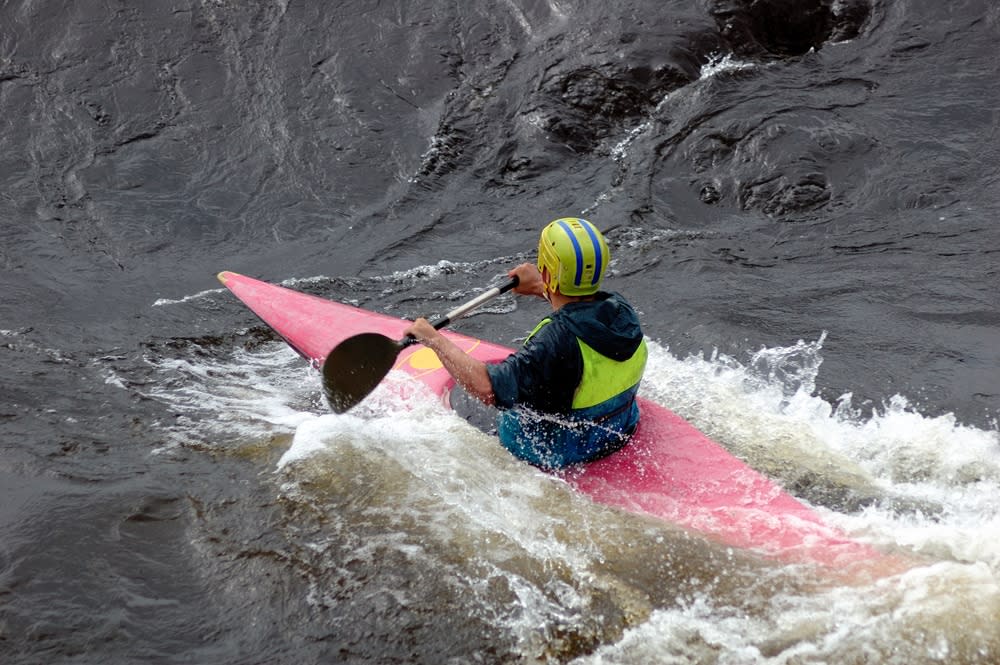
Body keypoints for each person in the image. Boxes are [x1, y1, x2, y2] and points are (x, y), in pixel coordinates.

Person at [404, 217, 647, 470]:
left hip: (558, 453)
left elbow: (489, 389)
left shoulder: (555, 340)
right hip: (615, 432)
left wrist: (433, 338)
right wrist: (542, 287)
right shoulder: (621, 312)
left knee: (458, 399)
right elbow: (581, 313)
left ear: (547, 270)